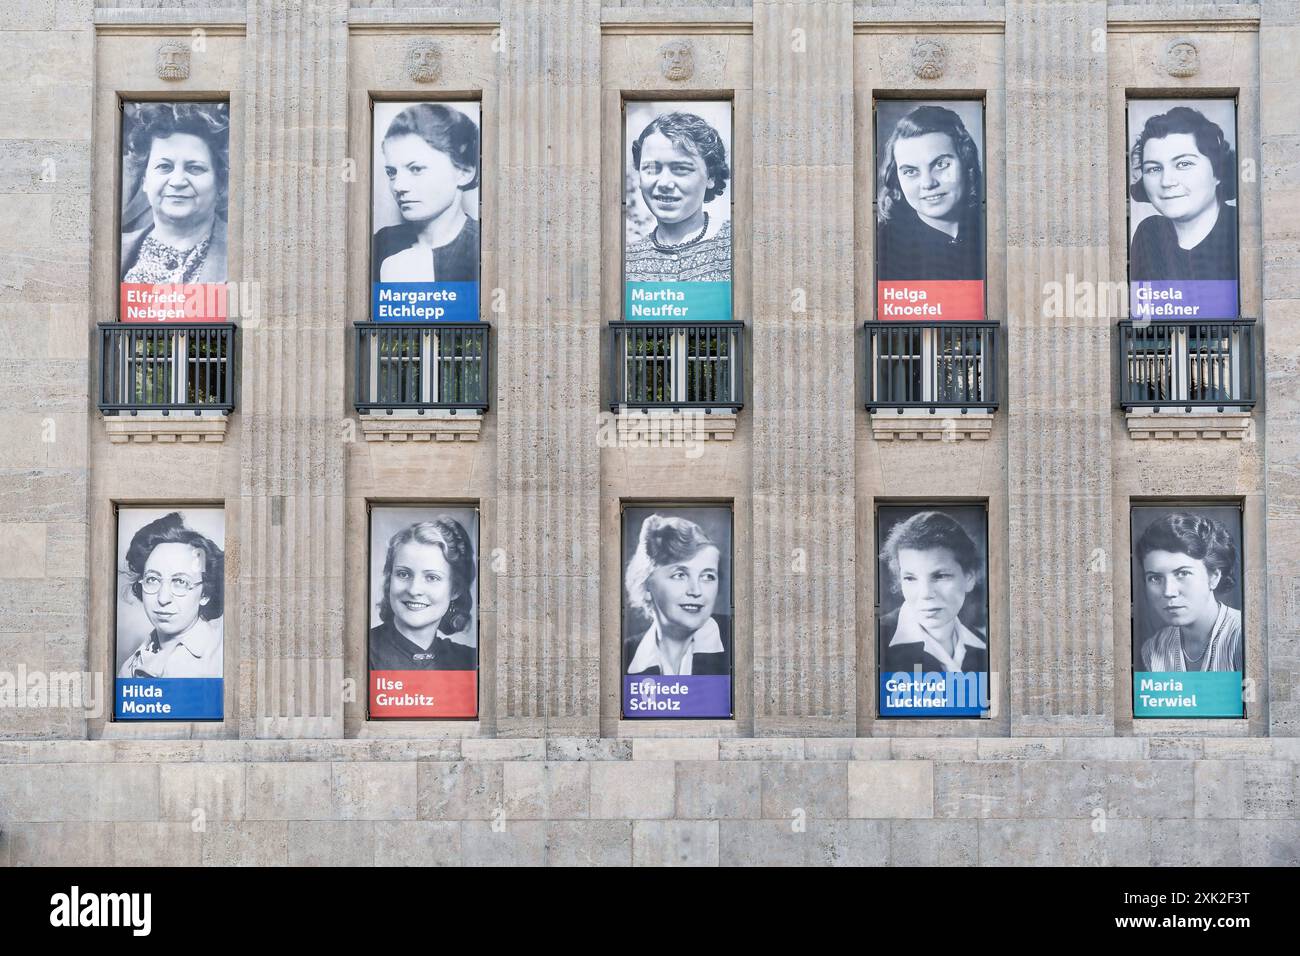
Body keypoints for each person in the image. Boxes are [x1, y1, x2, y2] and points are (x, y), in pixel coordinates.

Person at [120, 102, 229, 284]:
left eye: (195, 168)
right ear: (144, 180)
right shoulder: (115, 251)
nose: (178, 181)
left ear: (220, 183)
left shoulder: (243, 254)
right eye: (164, 167)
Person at [1128, 106, 1238, 282]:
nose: (1166, 181)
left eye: (1184, 164)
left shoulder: (1238, 227)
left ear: (1218, 172)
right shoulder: (1149, 233)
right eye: (1154, 168)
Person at [372, 104, 480, 283]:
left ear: (464, 172)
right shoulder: (381, 244)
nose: (398, 186)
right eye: (392, 172)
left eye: (416, 169)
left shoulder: (483, 247)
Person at [876, 104, 984, 281]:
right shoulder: (882, 244)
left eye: (941, 164)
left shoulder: (991, 229)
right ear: (897, 178)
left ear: (966, 162)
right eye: (911, 171)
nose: (927, 183)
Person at [625, 112, 732, 283]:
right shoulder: (626, 262)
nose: (664, 183)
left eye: (681, 168)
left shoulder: (736, 246)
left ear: (711, 176)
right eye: (651, 168)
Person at [878, 511, 988, 674]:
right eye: (910, 578)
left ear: (969, 578)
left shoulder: (984, 645)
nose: (925, 594)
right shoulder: (875, 640)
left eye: (940, 576)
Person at [118, 512, 224, 679]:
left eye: (180, 582)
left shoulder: (223, 658)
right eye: (152, 579)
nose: (163, 598)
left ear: (205, 593)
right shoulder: (130, 666)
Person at [624, 514, 730, 676]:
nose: (696, 591)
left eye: (707, 576)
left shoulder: (737, 639)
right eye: (679, 575)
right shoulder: (625, 656)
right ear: (646, 587)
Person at [1136, 512, 1243, 672]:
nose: (1168, 592)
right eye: (1155, 578)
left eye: (1183, 573)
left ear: (1214, 577)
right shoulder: (1154, 648)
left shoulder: (1244, 635)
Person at [369, 518, 477, 671]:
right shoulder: (360, 650)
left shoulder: (468, 661)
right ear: (390, 578)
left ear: (455, 589)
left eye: (432, 577)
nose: (414, 590)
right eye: (403, 574)